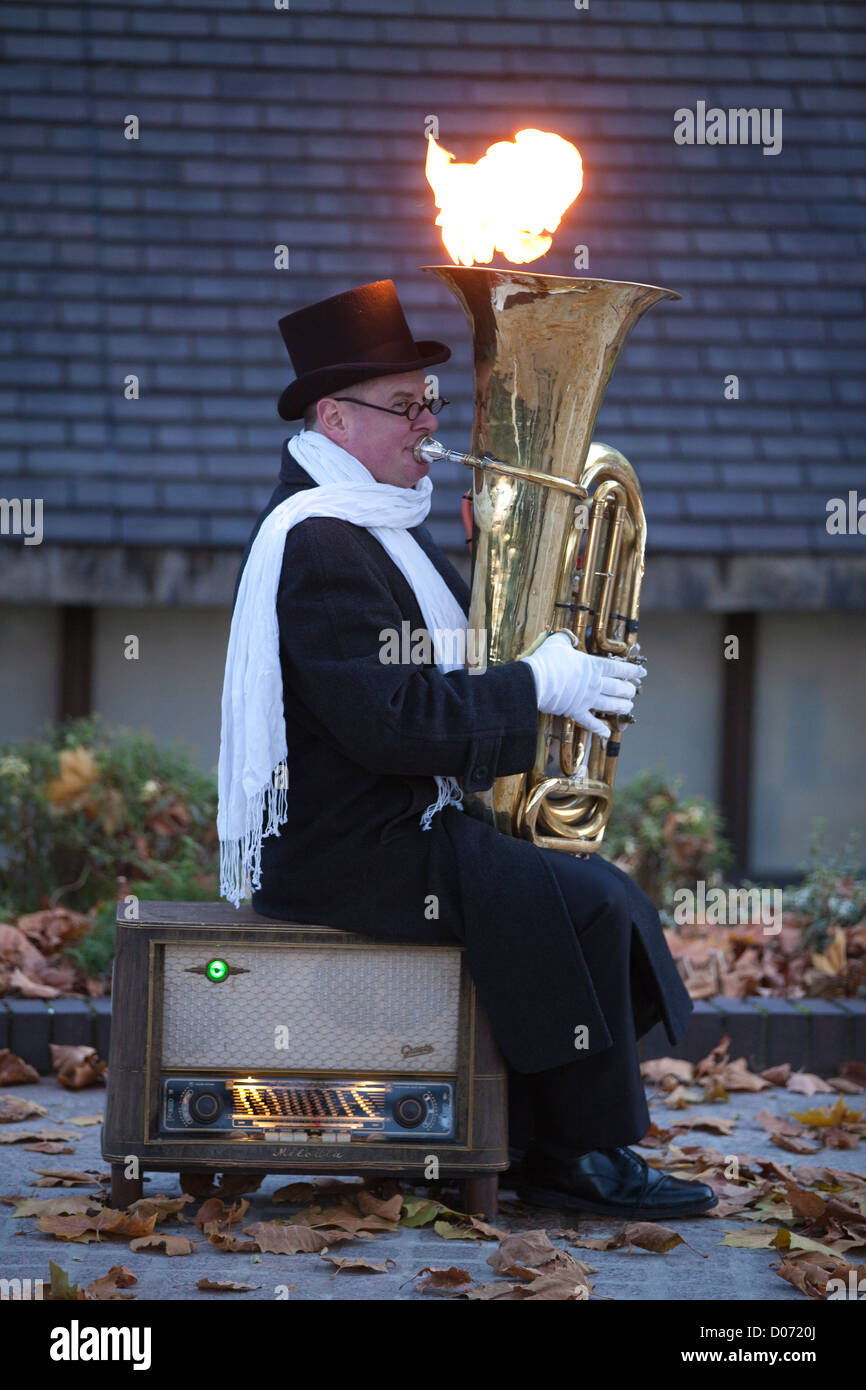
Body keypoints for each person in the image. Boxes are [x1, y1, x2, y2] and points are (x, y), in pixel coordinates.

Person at [218, 279, 717, 1220]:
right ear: (337, 415)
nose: (428, 424)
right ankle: (581, 1155)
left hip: (392, 827)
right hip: (350, 851)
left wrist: (518, 590)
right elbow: (391, 719)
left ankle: (528, 1135)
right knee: (590, 905)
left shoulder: (374, 524)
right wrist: (538, 687)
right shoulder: (324, 539)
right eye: (405, 406)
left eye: (431, 403)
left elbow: (435, 670)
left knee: (580, 888)